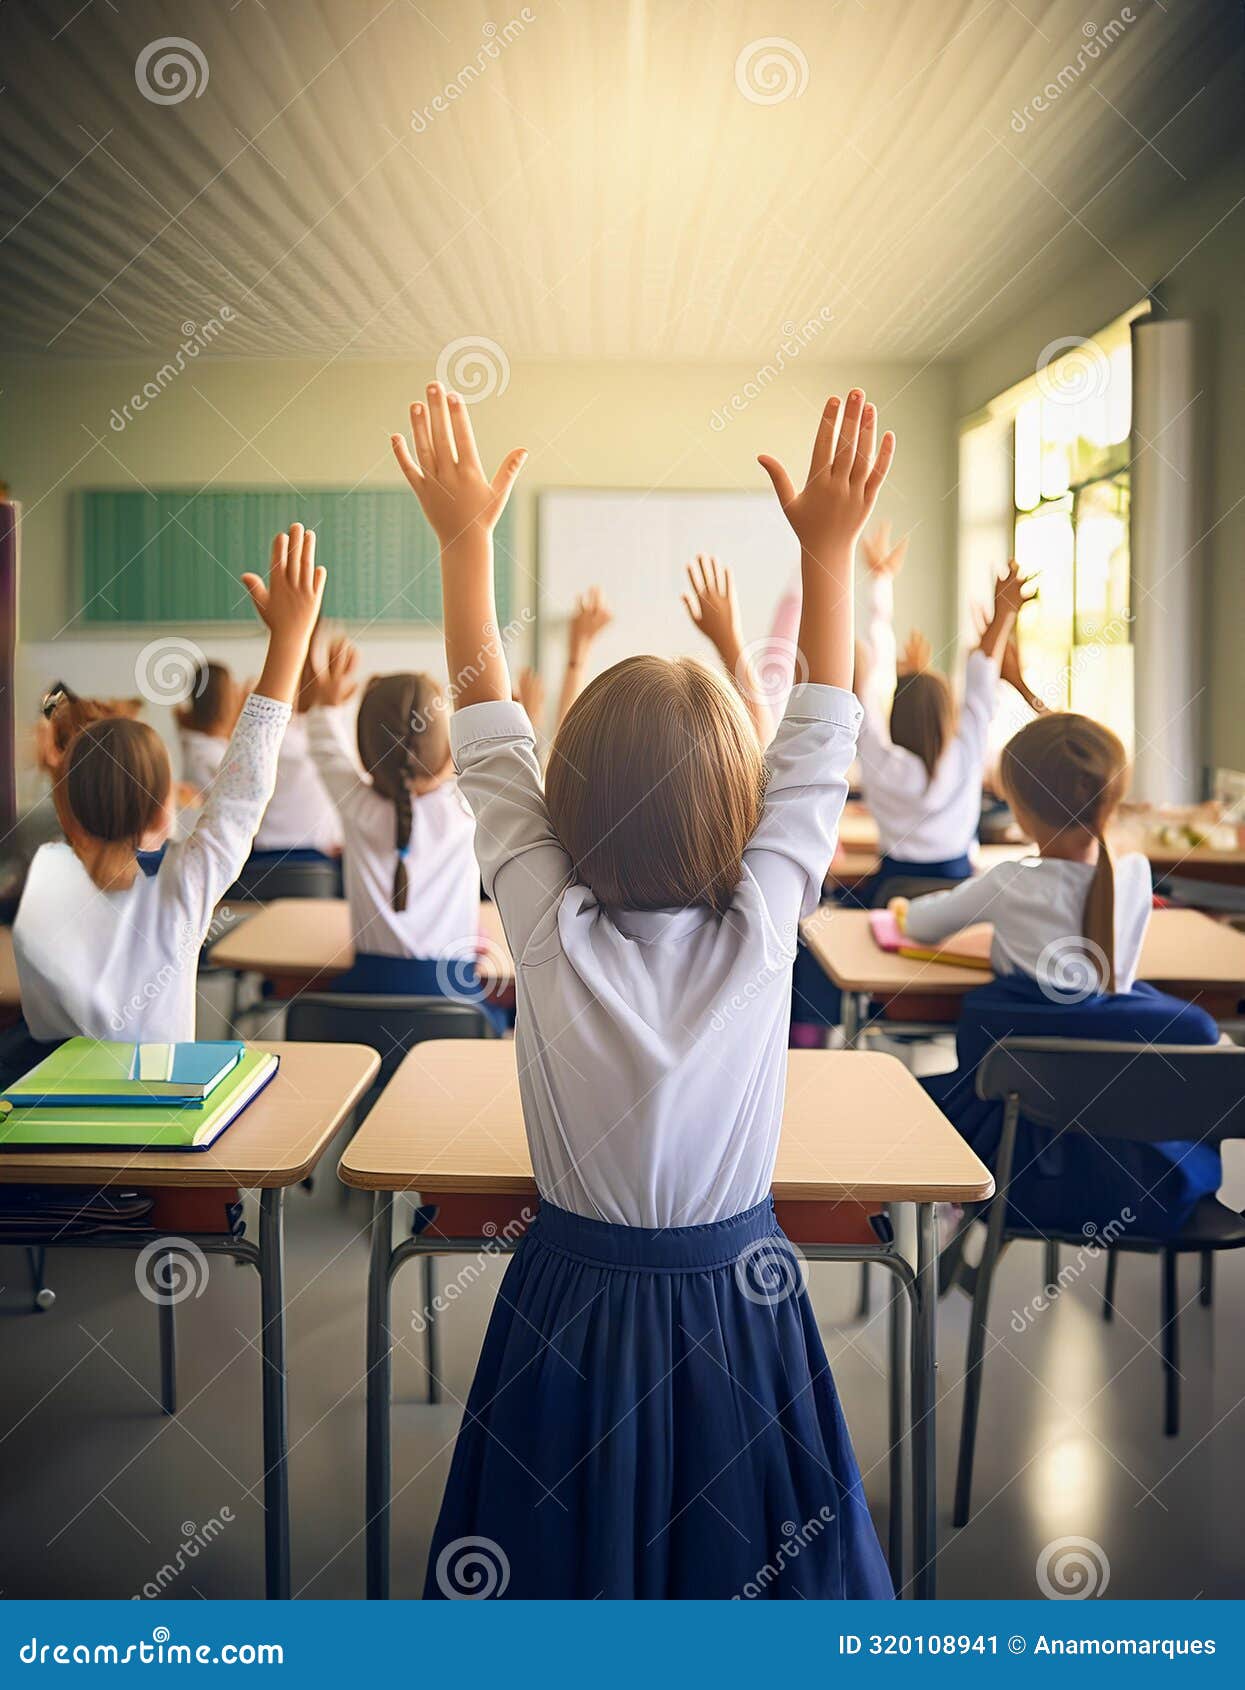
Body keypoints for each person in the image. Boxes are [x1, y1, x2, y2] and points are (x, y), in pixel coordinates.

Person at [390, 380, 895, 1600]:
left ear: (569, 805)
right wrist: (830, 558)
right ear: (738, 810)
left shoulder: (545, 923)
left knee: (561, 1585)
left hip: (569, 1310)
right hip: (743, 1305)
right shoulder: (764, 922)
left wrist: (465, 542)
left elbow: (488, 725)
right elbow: (821, 740)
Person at [896, 713, 1220, 1237]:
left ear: (1020, 814)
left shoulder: (1010, 881)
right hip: (1129, 1169)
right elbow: (1114, 982)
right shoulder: (1134, 876)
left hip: (1013, 1164)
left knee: (912, 1097)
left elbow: (926, 926)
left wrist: (900, 907)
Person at [13, 526, 325, 1044]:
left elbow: (72, 820)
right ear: (165, 812)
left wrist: (55, 766)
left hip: (46, 1119)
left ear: (66, 805)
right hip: (164, 1118)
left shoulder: (38, 884)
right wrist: (290, 641)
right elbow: (243, 789)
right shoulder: (184, 886)